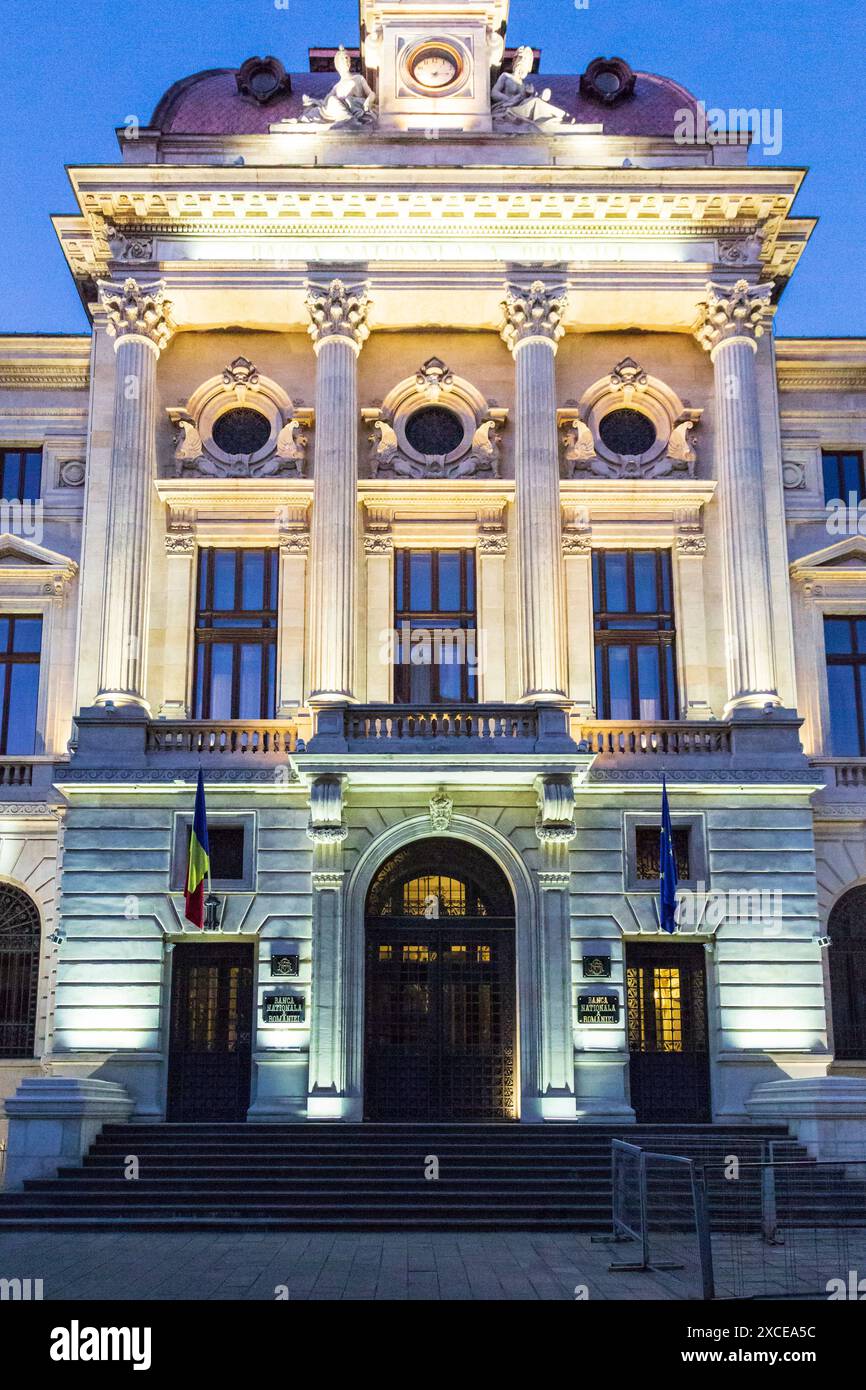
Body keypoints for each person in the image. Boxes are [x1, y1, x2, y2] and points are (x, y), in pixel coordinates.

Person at [491, 46, 573, 132]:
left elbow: (528, 100)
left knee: (536, 101)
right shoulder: (506, 76)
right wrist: (510, 99)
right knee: (535, 102)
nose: (522, 72)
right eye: (521, 69)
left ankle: (560, 116)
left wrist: (536, 95)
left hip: (520, 109)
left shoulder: (526, 85)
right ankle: (563, 116)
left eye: (525, 70)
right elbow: (494, 93)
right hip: (507, 109)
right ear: (516, 65)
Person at [300, 46, 377, 128]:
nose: (346, 62)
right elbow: (325, 102)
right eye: (343, 60)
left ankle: (349, 120)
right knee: (322, 106)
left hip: (354, 105)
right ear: (338, 65)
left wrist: (369, 101)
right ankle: (348, 120)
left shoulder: (358, 78)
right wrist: (312, 101)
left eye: (347, 59)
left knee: (332, 100)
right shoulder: (337, 86)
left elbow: (371, 93)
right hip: (338, 108)